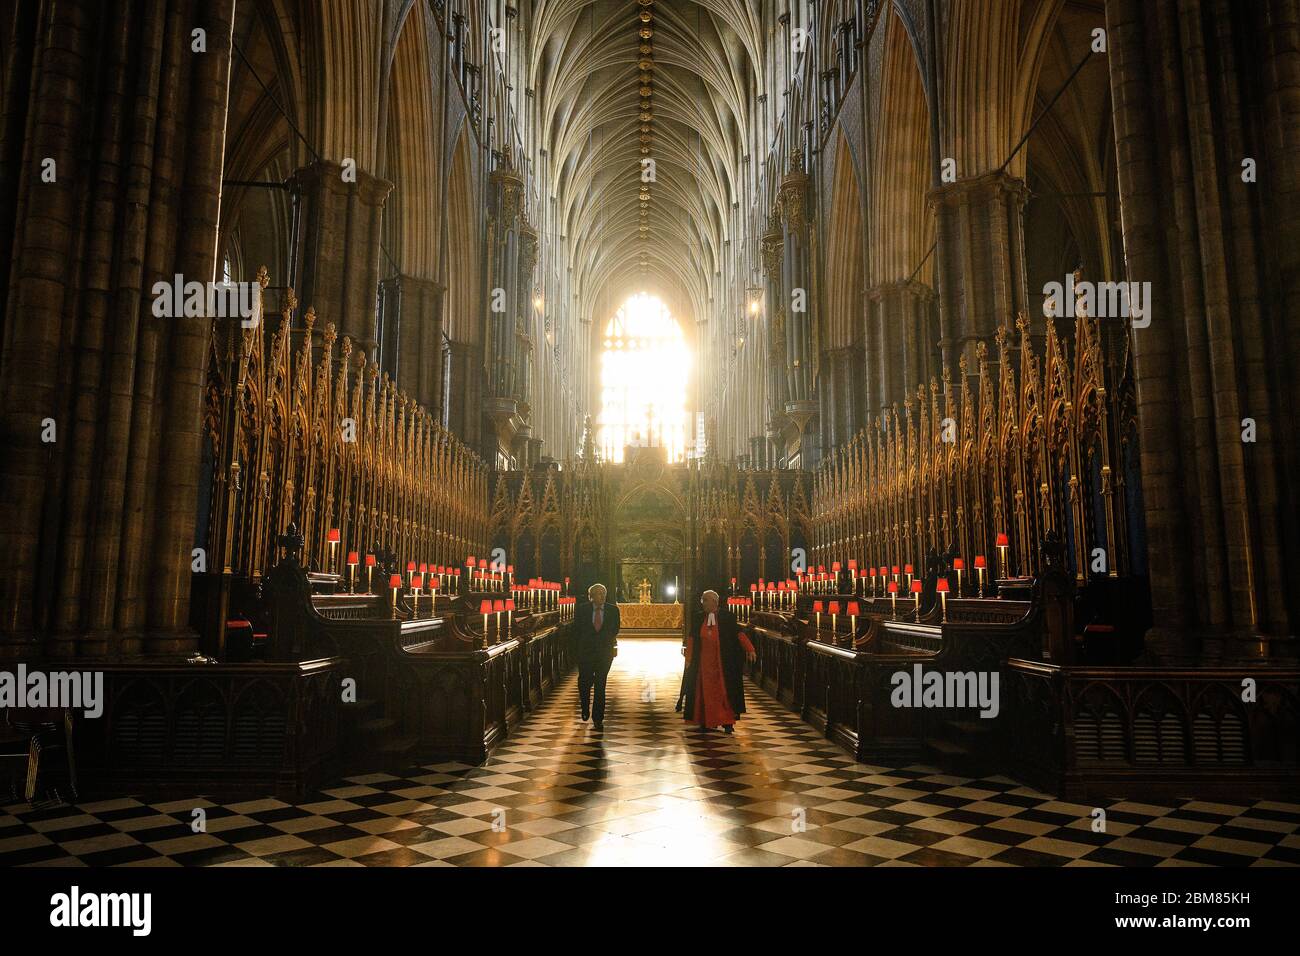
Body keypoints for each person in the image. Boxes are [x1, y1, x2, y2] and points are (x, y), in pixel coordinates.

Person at [682, 589, 755, 734]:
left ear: (714, 602)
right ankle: (705, 720)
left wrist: (750, 649)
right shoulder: (698, 618)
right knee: (702, 692)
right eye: (702, 600)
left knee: (724, 692)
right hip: (703, 664)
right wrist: (689, 659)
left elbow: (738, 633)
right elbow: (692, 639)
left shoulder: (727, 617)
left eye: (705, 600)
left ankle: (727, 722)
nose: (702, 603)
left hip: (722, 663)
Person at [574, 583, 619, 731]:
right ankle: (585, 706)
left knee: (601, 684)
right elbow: (577, 629)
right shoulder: (582, 610)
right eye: (599, 593)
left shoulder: (613, 610)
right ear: (591, 596)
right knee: (584, 682)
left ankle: (598, 718)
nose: (602, 596)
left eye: (604, 593)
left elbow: (615, 629)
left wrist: (604, 640)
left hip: (604, 653)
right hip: (586, 652)